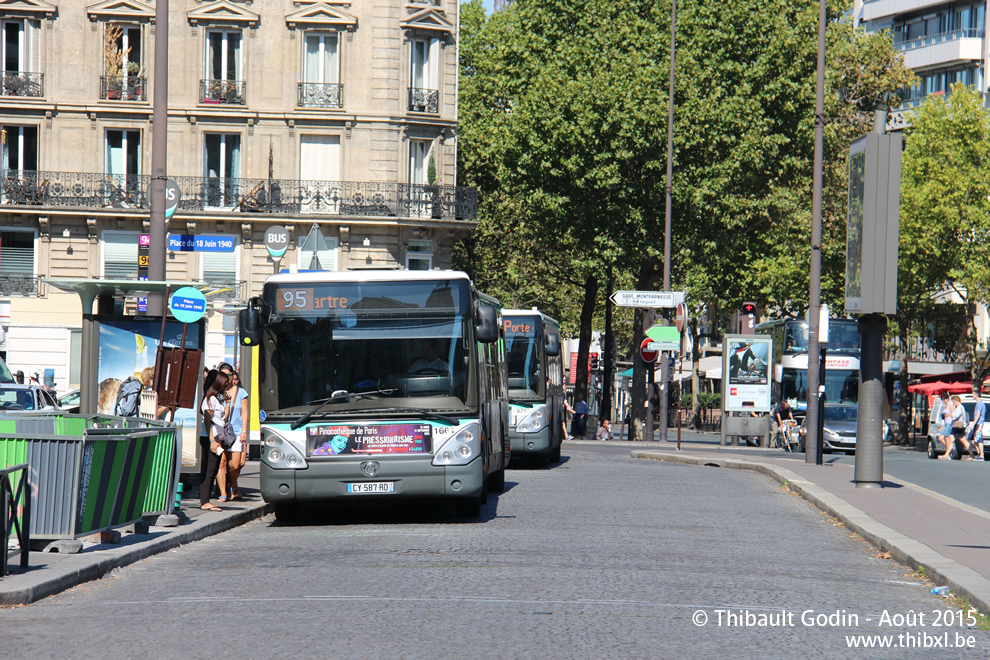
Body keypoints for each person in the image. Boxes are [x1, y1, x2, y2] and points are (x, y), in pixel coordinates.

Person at [200, 369, 230, 511]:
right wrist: (212, 441)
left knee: (214, 468)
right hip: (210, 437)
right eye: (224, 383)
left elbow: (223, 418)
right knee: (209, 470)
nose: (226, 386)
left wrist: (227, 402)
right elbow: (207, 421)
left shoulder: (216, 399)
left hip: (217, 436)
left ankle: (206, 500)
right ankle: (205, 501)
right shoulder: (209, 399)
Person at [220, 364, 249, 500]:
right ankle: (226, 491)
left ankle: (232, 484)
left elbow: (245, 413)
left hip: (236, 432)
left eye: (228, 374)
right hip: (220, 432)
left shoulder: (241, 393)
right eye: (222, 374)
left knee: (235, 465)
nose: (226, 377)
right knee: (222, 463)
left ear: (232, 375)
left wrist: (244, 431)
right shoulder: (218, 391)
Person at [964, 384, 985, 460]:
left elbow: (978, 415)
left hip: (978, 423)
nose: (972, 395)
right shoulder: (979, 404)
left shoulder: (980, 404)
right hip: (978, 423)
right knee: (970, 438)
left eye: (973, 394)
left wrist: (973, 424)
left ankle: (981, 455)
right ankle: (978, 452)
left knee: (979, 439)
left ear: (976, 395)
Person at [937, 393, 954, 460]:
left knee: (947, 438)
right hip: (946, 423)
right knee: (940, 438)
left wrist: (948, 415)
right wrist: (942, 426)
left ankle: (947, 453)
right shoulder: (945, 406)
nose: (943, 401)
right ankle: (949, 448)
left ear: (947, 399)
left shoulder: (950, 405)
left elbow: (954, 415)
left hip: (950, 423)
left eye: (944, 400)